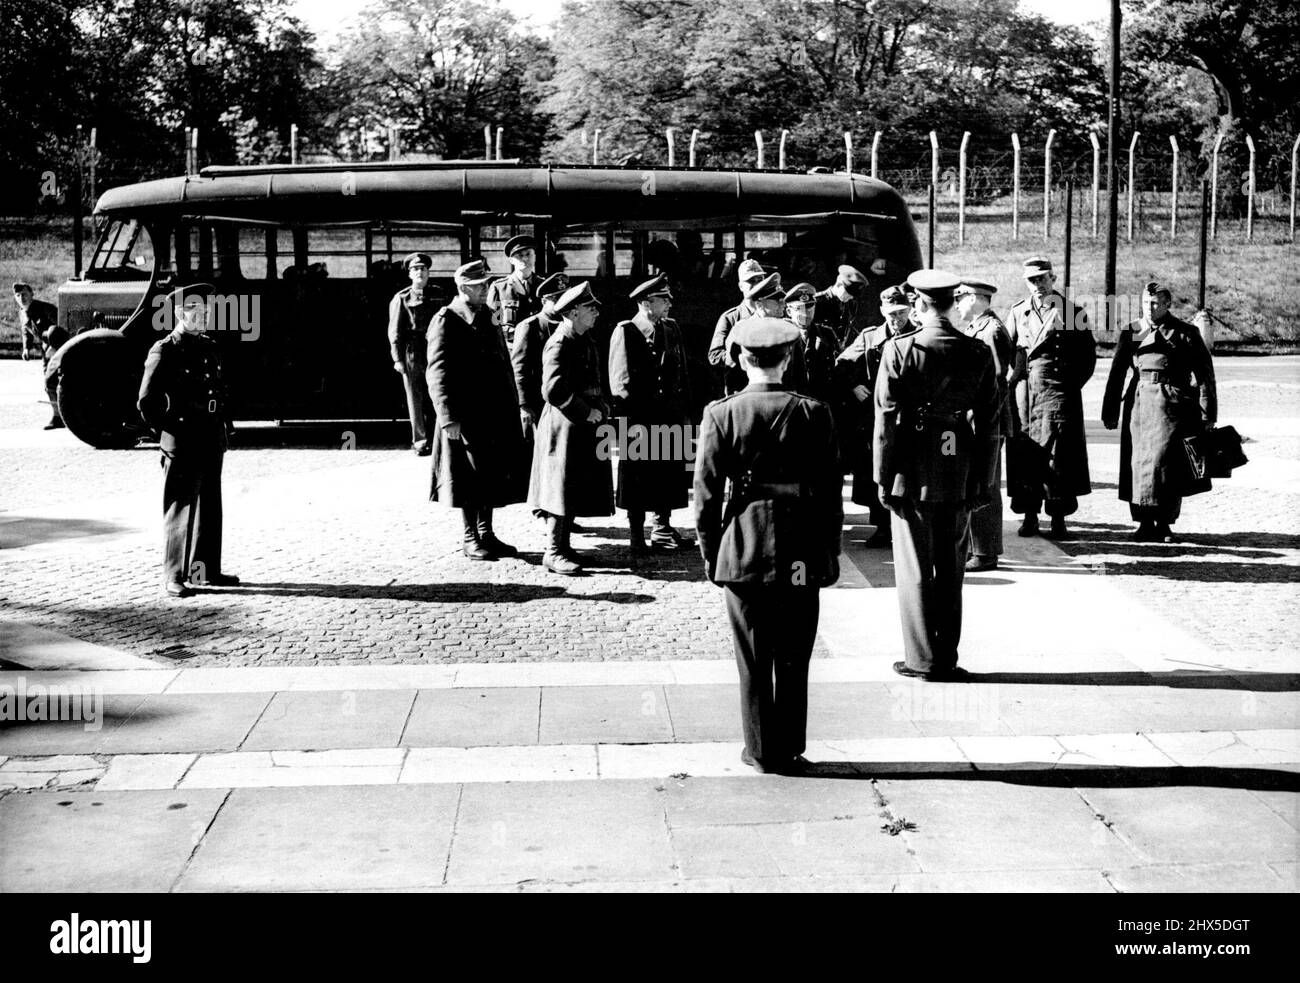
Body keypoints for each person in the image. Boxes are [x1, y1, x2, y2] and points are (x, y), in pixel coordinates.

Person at [693, 316, 842, 775]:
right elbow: (831, 490)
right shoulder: (814, 411)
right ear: (789, 357)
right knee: (795, 653)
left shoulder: (720, 413)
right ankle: (791, 745)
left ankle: (759, 750)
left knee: (753, 656)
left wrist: (711, 550)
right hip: (800, 547)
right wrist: (829, 550)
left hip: (742, 548)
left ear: (740, 359)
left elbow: (705, 495)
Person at [875, 270, 999, 681]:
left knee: (914, 569)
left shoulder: (900, 350)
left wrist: (882, 476)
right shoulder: (977, 351)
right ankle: (946, 657)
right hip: (958, 466)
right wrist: (983, 482)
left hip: (911, 470)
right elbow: (990, 424)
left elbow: (887, 421)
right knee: (951, 568)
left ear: (921, 304)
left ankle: (922, 659)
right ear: (951, 301)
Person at [137, 283, 239, 598]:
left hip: (210, 437)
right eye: (199, 311)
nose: (206, 316)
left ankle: (205, 571)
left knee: (210, 507)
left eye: (207, 311)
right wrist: (170, 432)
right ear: (182, 312)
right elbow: (146, 401)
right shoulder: (165, 349)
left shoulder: (208, 346)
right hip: (182, 440)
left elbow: (219, 391)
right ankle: (174, 576)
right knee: (180, 507)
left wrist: (224, 425)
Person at [426, 259, 527, 560]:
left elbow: (502, 361)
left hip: (494, 411)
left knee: (491, 473)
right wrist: (447, 417)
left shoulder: (488, 315)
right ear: (462, 287)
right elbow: (437, 372)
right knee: (468, 477)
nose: (486, 289)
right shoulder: (447, 318)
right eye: (479, 285)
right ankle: (470, 537)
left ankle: (487, 533)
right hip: (466, 414)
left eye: (485, 284)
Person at [1102, 280, 1217, 543]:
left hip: (1171, 404)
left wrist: (1207, 414)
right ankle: (1142, 522)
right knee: (1138, 463)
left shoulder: (1186, 333)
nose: (1149, 308)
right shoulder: (1132, 331)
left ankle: (1164, 522)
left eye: (1155, 303)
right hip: (1139, 403)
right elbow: (1117, 372)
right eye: (1145, 303)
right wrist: (1111, 410)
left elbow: (1204, 377)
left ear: (1167, 305)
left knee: (1166, 463)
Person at [1005, 256, 1096, 540]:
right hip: (1027, 395)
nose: (1038, 285)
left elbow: (1087, 358)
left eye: (1042, 279)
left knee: (1060, 458)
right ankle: (1030, 517)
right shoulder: (1019, 312)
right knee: (1027, 456)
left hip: (1059, 394)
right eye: (1032, 280)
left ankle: (1058, 519)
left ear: (1053, 279)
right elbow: (1009, 351)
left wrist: (1066, 386)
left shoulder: (1072, 312)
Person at [529, 282, 613, 575]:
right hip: (564, 426)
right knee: (559, 487)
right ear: (574, 312)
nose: (596, 314)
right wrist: (585, 410)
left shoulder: (584, 338)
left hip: (582, 425)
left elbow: (594, 377)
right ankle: (553, 552)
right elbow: (552, 389)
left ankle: (564, 547)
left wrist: (601, 405)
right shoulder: (560, 342)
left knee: (574, 485)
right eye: (591, 309)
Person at [608, 274, 696, 553]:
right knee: (636, 476)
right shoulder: (626, 331)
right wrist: (627, 420)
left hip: (669, 415)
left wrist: (684, 412)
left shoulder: (671, 328)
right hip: (638, 419)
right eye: (664, 298)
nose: (670, 303)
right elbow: (619, 382)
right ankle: (636, 534)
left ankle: (663, 528)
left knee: (668, 473)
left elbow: (682, 372)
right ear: (646, 302)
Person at [834, 285, 913, 547]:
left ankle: (907, 525)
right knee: (877, 468)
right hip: (876, 418)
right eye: (891, 313)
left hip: (909, 416)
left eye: (901, 312)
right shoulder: (870, 337)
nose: (896, 318)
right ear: (882, 311)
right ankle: (881, 525)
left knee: (907, 469)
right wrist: (853, 386)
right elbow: (842, 364)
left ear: (910, 309)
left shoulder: (919, 334)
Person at [955, 278, 1021, 571]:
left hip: (986, 421)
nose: (957, 304)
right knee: (976, 482)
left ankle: (985, 551)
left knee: (986, 485)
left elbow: (995, 383)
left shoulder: (991, 331)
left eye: (961, 298)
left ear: (976, 298)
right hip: (978, 419)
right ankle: (977, 548)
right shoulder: (977, 328)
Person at [387, 253, 443, 455]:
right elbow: (395, 331)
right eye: (415, 269)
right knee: (416, 398)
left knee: (438, 393)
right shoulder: (402, 298)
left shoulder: (438, 294)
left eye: (423, 269)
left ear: (428, 272)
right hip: (413, 352)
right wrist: (398, 359)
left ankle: (439, 439)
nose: (420, 272)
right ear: (410, 274)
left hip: (436, 349)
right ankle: (420, 441)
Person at [511, 271, 569, 458]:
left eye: (563, 297)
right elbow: (520, 369)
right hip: (538, 403)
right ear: (544, 301)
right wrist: (524, 405)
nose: (560, 303)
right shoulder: (530, 326)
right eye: (555, 299)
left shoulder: (569, 324)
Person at [708, 258, 774, 396]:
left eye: (760, 279)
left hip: (770, 387)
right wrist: (744, 355)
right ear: (740, 286)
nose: (756, 284)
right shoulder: (730, 318)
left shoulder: (773, 312)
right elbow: (714, 356)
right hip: (741, 388)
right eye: (751, 281)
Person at [14, 282, 66, 429]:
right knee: (49, 383)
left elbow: (61, 327)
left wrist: (54, 346)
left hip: (58, 348)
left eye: (24, 294)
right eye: (18, 295)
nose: (21, 298)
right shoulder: (22, 312)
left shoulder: (45, 308)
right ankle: (58, 416)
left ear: (32, 294)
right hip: (46, 351)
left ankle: (62, 416)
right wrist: (26, 348)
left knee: (54, 381)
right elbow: (26, 331)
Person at [780, 282, 839, 403]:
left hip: (821, 402)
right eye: (799, 308)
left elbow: (837, 368)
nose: (805, 313)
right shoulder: (781, 337)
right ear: (789, 312)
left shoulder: (827, 334)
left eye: (809, 307)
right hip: (792, 404)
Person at [486, 234, 541, 342]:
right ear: (511, 260)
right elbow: (495, 323)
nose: (525, 258)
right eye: (520, 255)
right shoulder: (500, 288)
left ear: (535, 256)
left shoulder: (543, 285)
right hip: (512, 347)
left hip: (539, 347)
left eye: (529, 254)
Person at [814, 264, 869, 349]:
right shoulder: (817, 302)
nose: (851, 297)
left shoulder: (851, 304)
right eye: (848, 293)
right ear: (839, 284)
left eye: (853, 295)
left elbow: (847, 328)